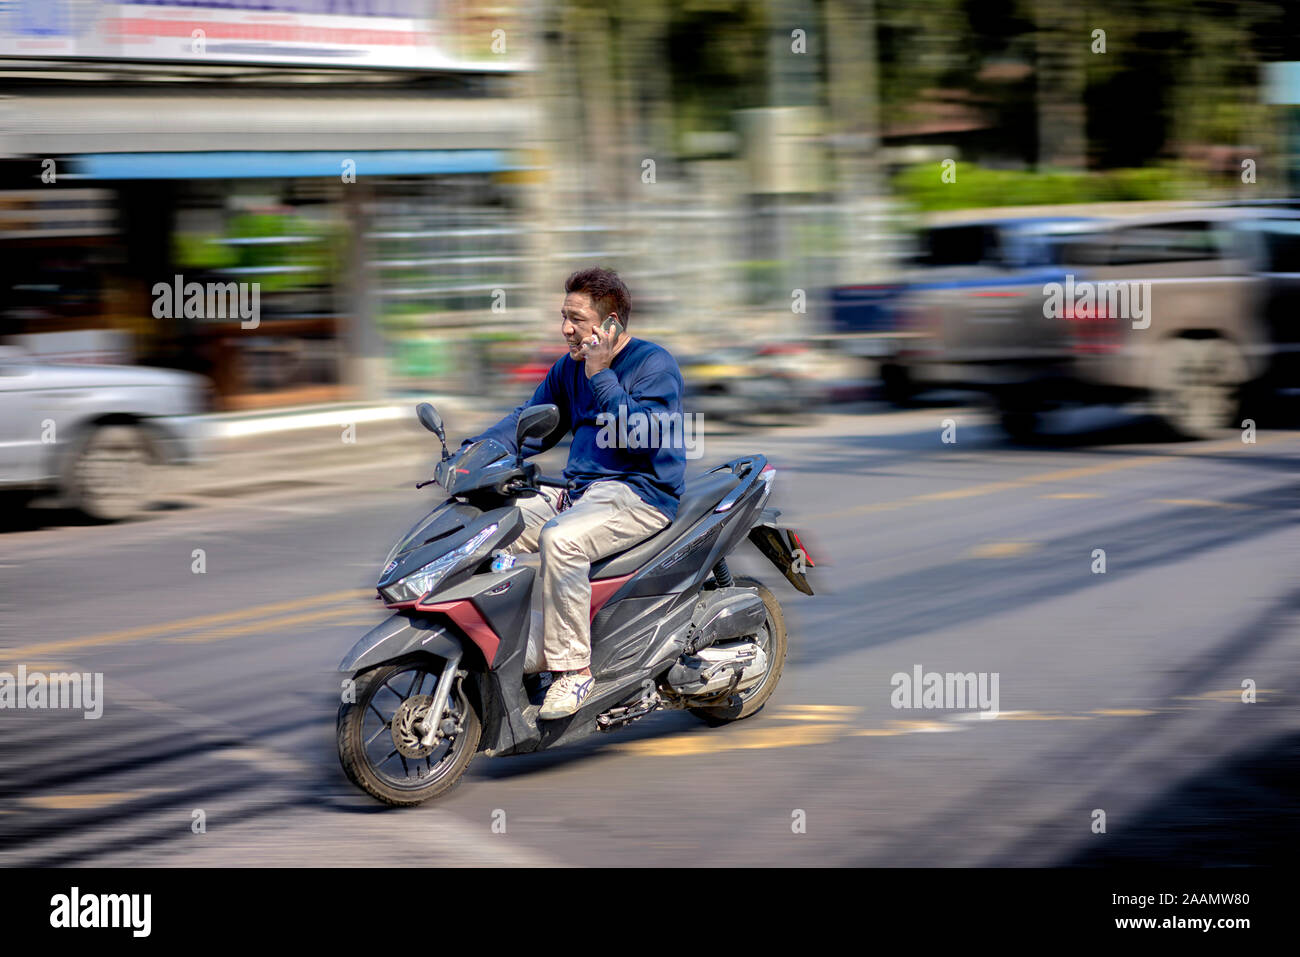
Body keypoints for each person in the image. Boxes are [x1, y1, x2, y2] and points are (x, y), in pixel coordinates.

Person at [463, 267, 686, 718]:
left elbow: (639, 436)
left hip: (638, 494)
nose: (565, 328)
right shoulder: (568, 369)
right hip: (579, 493)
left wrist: (600, 372)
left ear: (611, 324)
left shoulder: (653, 364)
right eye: (563, 316)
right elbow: (530, 419)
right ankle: (504, 646)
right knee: (486, 523)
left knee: (560, 540)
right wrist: (475, 453)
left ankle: (574, 672)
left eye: (576, 318)